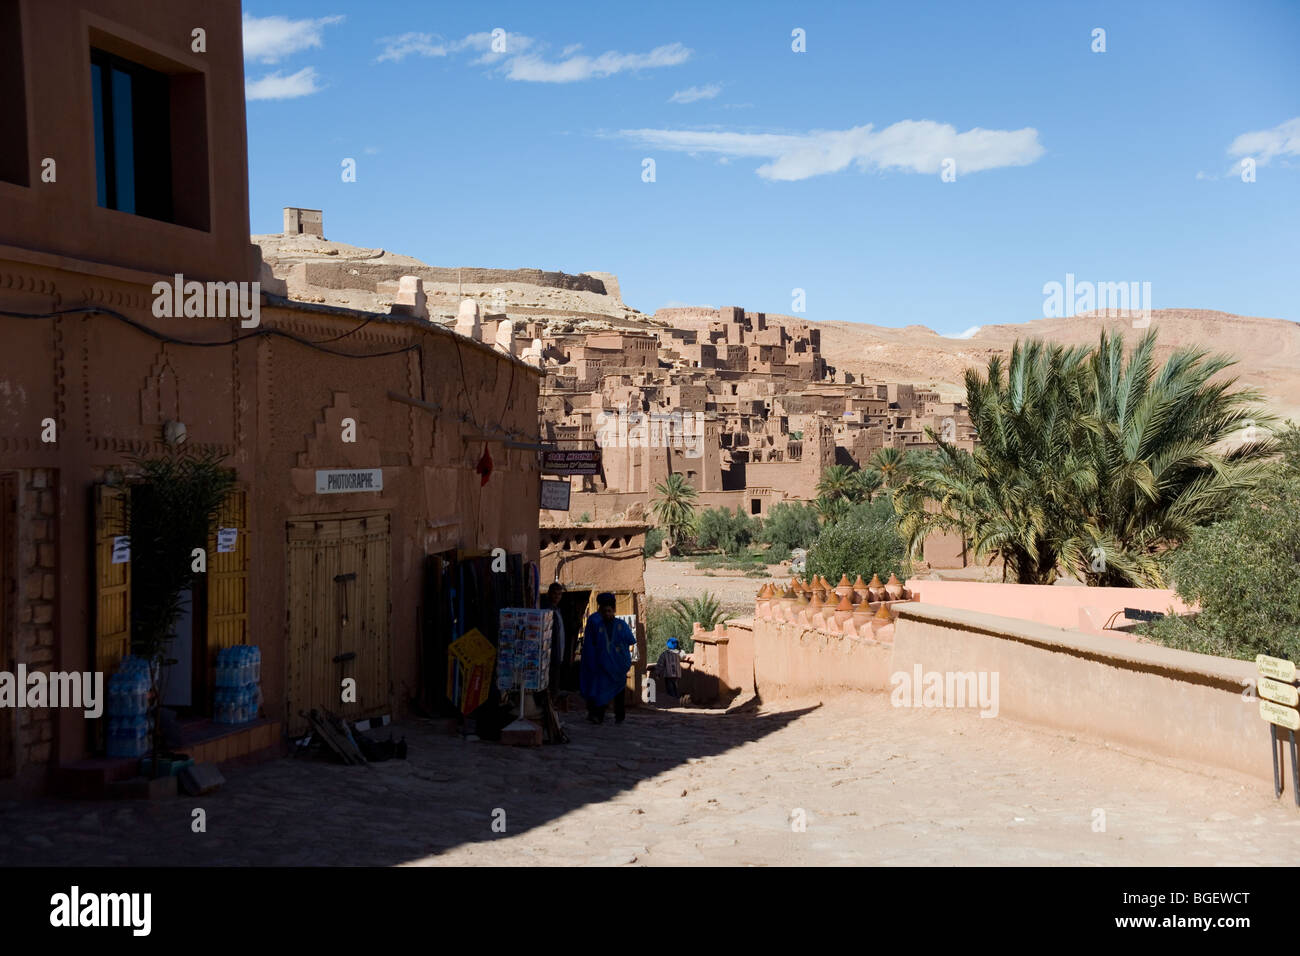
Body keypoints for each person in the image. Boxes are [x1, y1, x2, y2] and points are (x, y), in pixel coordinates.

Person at [579, 592, 635, 724]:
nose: (608, 613)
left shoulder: (620, 625)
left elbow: (630, 641)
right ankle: (598, 716)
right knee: (602, 691)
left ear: (614, 609)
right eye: (605, 610)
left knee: (618, 691)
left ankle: (619, 716)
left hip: (617, 666)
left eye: (610, 610)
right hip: (602, 665)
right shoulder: (596, 622)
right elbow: (591, 645)